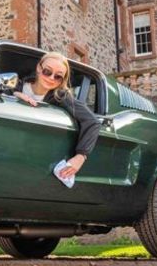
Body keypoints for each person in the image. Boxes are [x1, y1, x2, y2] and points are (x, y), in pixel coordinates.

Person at [12, 52, 100, 180]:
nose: (51, 78)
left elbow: (92, 121)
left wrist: (81, 156)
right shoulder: (15, 84)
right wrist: (14, 94)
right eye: (47, 72)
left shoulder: (61, 97)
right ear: (38, 67)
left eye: (58, 76)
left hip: (33, 156)